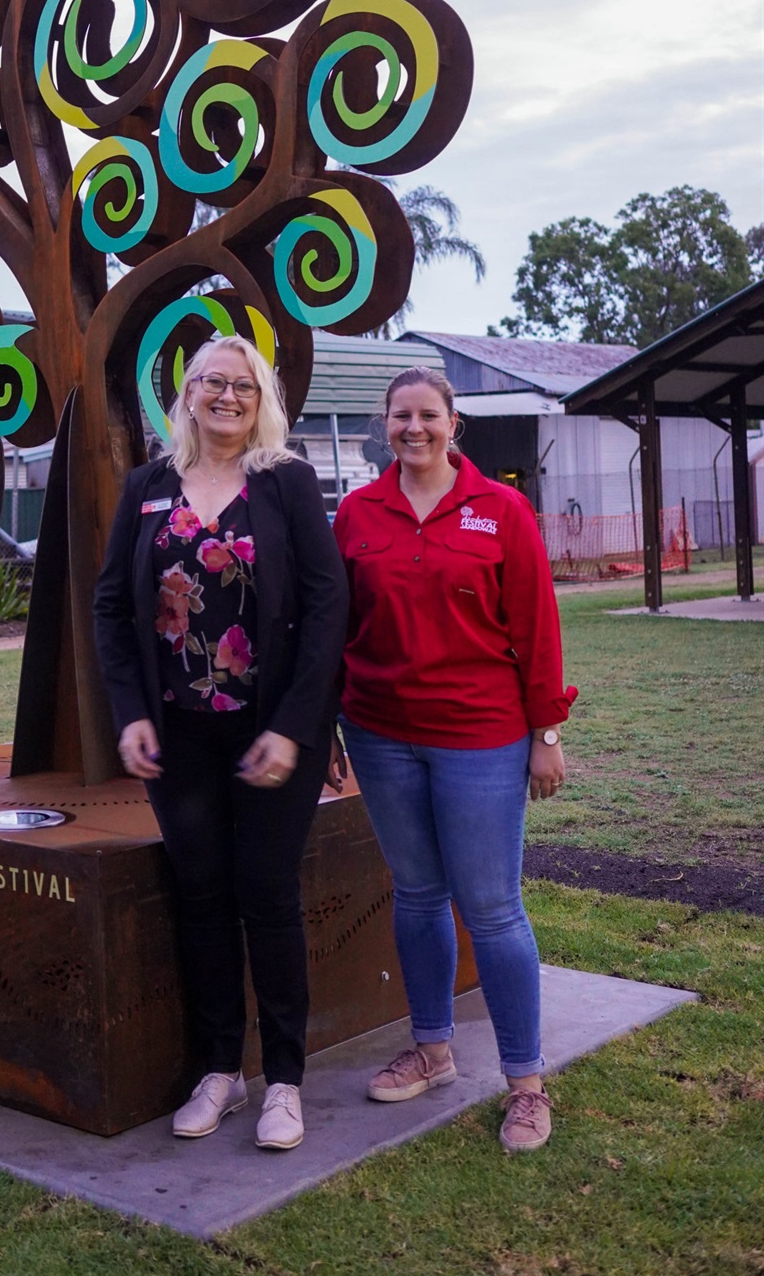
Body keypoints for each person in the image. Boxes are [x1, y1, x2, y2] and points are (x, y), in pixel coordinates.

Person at [93, 334, 347, 1151]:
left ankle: (283, 1081)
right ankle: (218, 1073)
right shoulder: (147, 487)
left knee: (265, 895)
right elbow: (110, 608)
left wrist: (292, 727)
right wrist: (129, 710)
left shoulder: (287, 484)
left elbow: (328, 607)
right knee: (201, 899)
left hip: (271, 734)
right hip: (179, 735)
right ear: (188, 393)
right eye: (212, 383)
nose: (227, 397)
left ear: (260, 397)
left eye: (242, 385)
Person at [332, 366, 569, 1153]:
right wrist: (328, 721)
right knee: (418, 893)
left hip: (481, 737)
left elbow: (536, 627)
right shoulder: (359, 513)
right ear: (385, 424)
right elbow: (336, 623)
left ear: (452, 422)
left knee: (493, 907)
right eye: (401, 416)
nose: (414, 428)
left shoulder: (500, 510)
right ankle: (432, 1048)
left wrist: (545, 733)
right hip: (379, 732)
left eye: (428, 415)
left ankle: (526, 1084)